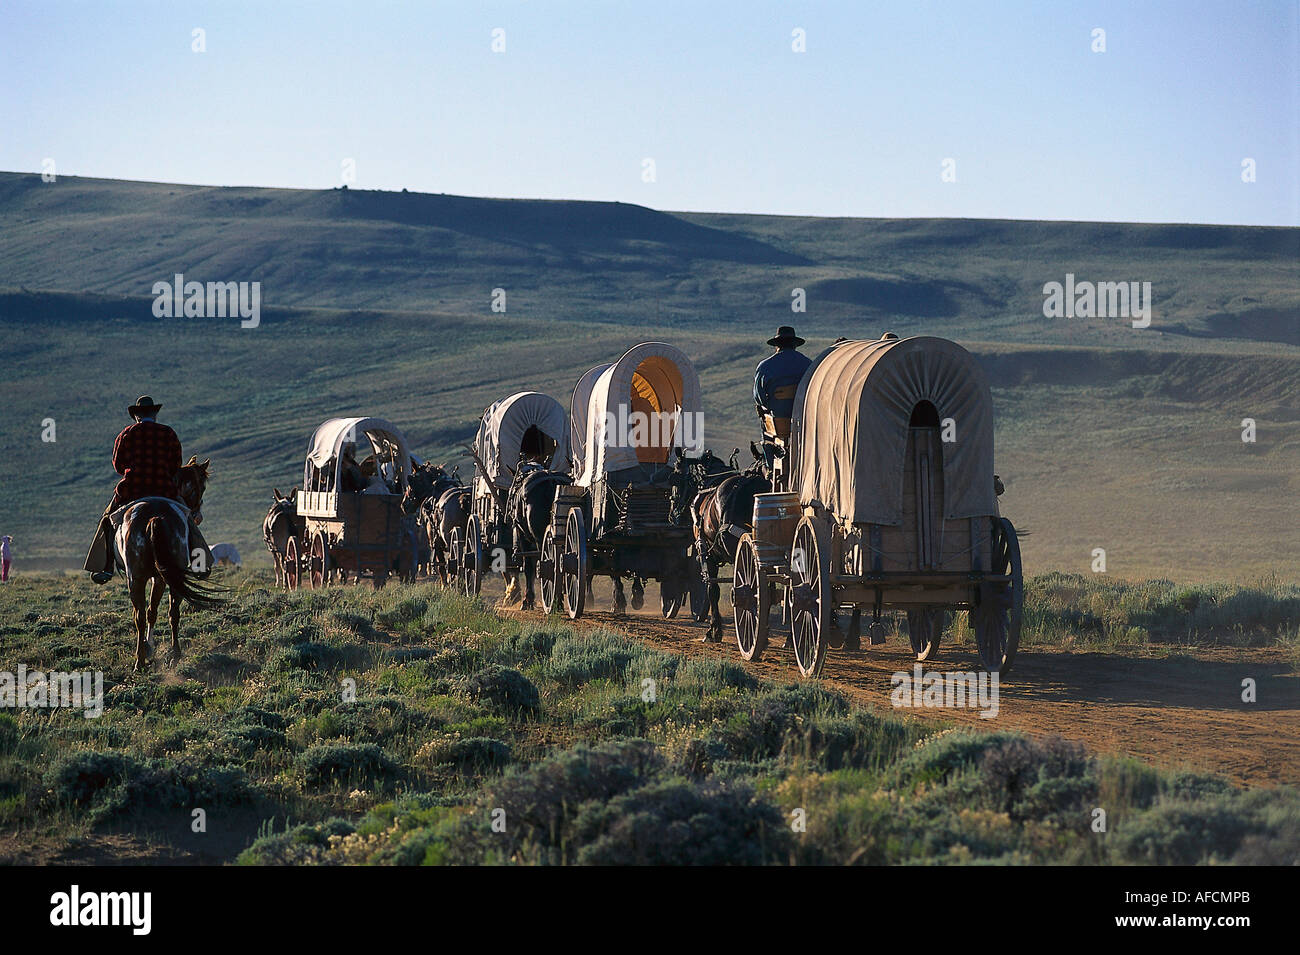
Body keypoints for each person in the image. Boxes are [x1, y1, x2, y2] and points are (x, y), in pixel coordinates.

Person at [83, 396, 209, 583]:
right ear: (155, 414)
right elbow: (176, 464)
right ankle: (200, 563)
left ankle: (106, 567)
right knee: (187, 518)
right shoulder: (168, 433)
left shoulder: (126, 434)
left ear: (136, 416)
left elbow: (118, 465)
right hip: (164, 489)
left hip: (132, 490)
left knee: (107, 520)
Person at [754, 326, 812, 472]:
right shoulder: (809, 364)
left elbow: (759, 398)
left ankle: (770, 468)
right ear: (794, 344)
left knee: (765, 428)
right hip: (805, 422)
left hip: (779, 424)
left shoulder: (765, 366)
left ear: (776, 345)